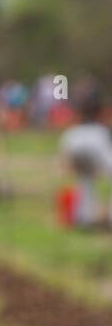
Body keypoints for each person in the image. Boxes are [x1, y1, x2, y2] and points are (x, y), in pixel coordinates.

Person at [58, 92, 112, 228]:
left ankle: (84, 217)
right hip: (95, 147)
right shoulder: (101, 130)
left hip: (74, 148)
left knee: (85, 179)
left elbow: (65, 155)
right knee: (88, 178)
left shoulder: (72, 131)